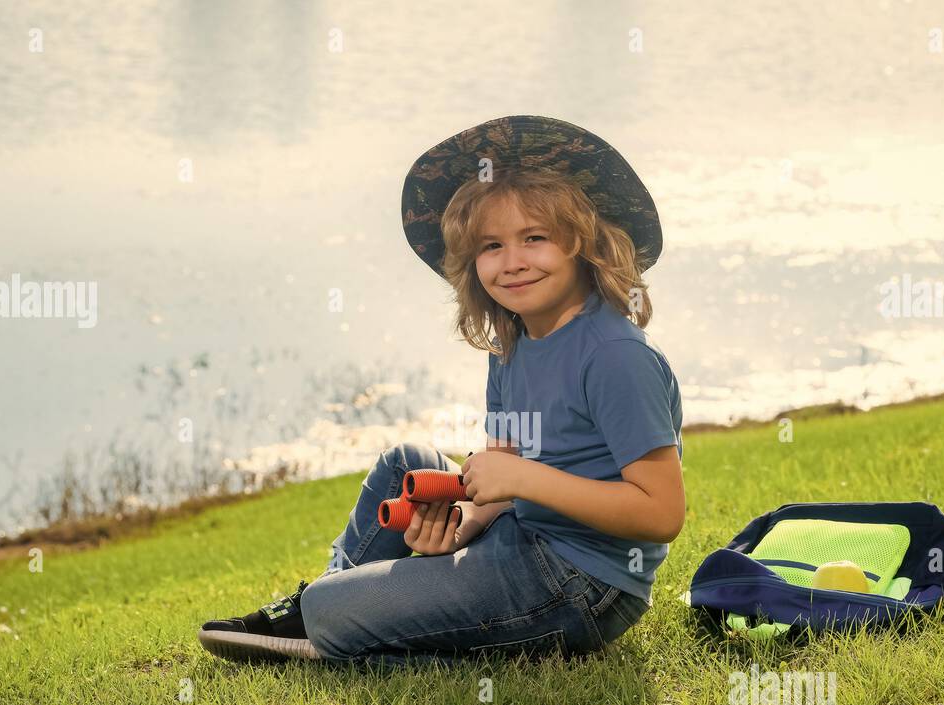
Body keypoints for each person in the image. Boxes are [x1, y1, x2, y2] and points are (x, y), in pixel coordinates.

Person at [199, 114, 685, 668]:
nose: (513, 262)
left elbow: (661, 512)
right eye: (491, 246)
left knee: (335, 608)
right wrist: (462, 526)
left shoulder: (614, 357)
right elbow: (503, 480)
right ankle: (329, 611)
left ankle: (338, 623)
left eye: (535, 238)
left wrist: (525, 479)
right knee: (403, 463)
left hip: (583, 583)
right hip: (522, 535)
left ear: (578, 242)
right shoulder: (512, 343)